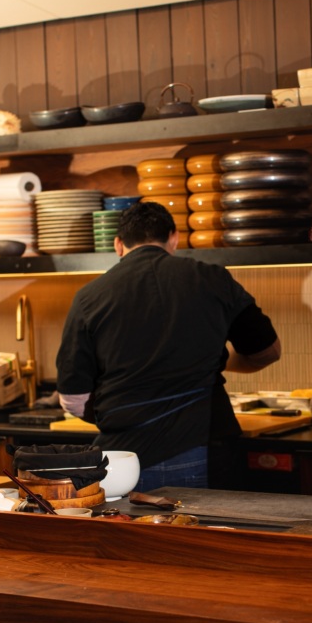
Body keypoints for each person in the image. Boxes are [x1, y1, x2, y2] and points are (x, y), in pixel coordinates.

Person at [56, 201, 281, 491]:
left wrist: (116, 413)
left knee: (135, 533)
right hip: (207, 442)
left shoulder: (89, 297)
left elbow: (73, 398)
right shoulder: (213, 278)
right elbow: (268, 350)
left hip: (126, 456)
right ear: (173, 238)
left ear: (118, 244)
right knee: (210, 533)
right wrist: (222, 361)